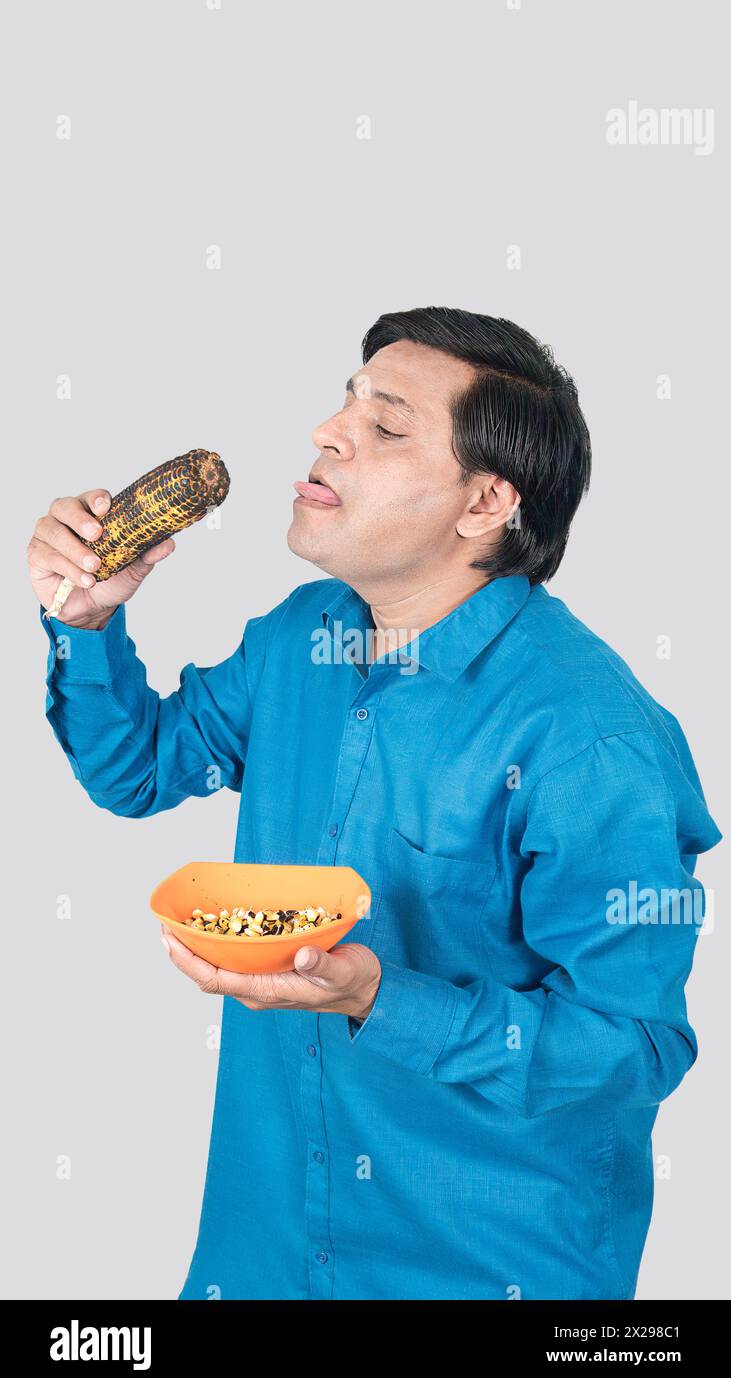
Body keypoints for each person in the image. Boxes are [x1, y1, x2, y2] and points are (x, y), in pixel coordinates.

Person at [29, 307, 721, 1301]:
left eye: (386, 425)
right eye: (345, 400)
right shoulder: (298, 638)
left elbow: (634, 1048)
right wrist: (86, 620)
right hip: (257, 1260)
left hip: (483, 1273)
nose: (328, 431)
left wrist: (378, 999)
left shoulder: (588, 739)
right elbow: (137, 768)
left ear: (484, 501)